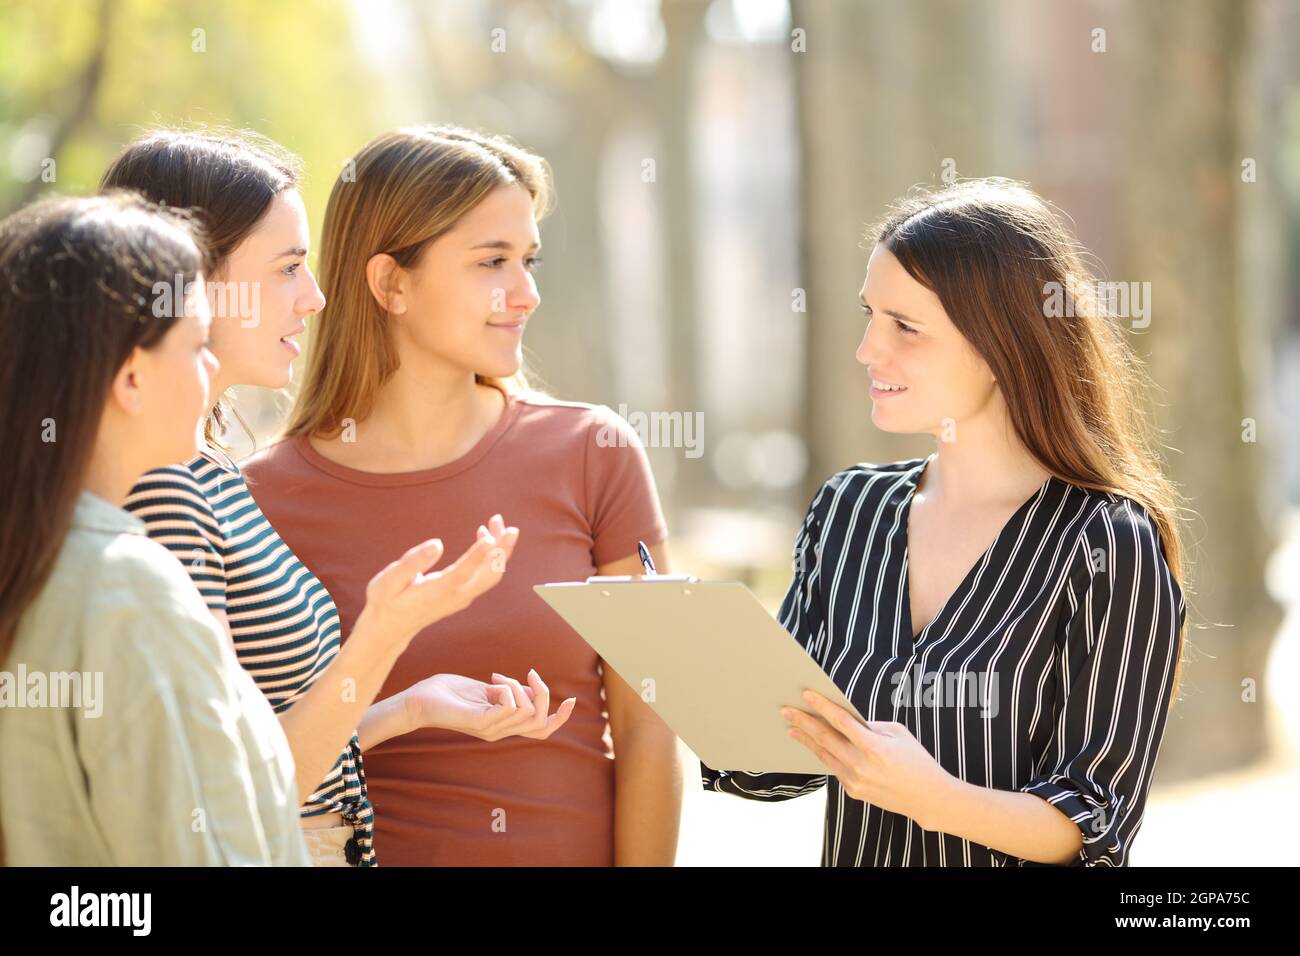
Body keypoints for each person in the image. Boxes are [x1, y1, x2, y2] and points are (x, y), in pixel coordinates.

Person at [102, 130, 571, 867]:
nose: (316, 296)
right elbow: (223, 788)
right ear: (195, 281)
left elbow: (265, 746)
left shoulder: (212, 471)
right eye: (288, 268)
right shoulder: (165, 488)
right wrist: (384, 634)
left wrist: (408, 708)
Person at [703, 178, 1187, 867]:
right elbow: (778, 764)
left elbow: (1095, 825)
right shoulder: (849, 511)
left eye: (905, 326)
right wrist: (683, 664)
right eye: (870, 315)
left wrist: (933, 796)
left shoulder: (1107, 542)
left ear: (1000, 343)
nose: (869, 350)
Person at [243, 126, 682, 866]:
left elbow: (650, 730)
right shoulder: (260, 497)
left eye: (529, 260)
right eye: (492, 262)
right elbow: (257, 768)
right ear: (391, 284)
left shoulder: (593, 455)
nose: (527, 293)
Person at [0, 192, 307, 864]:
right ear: (132, 377)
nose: (210, 368)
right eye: (199, 344)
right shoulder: (128, 589)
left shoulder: (44, 562)